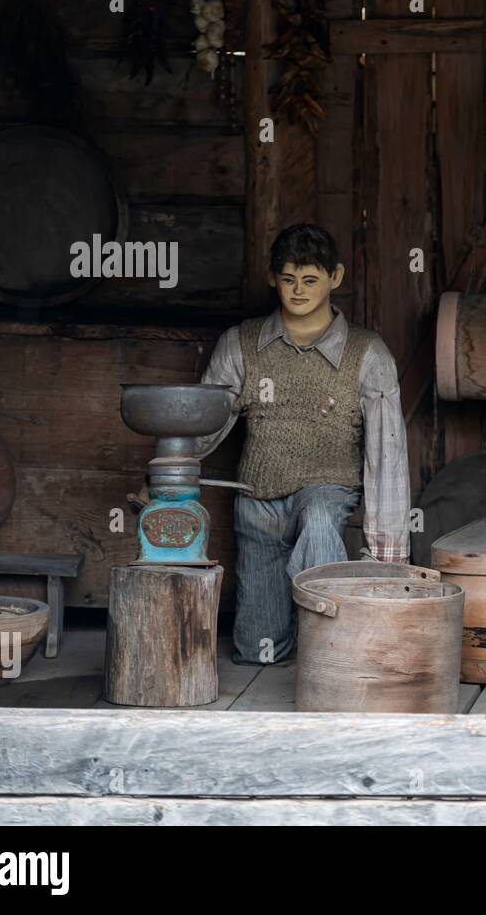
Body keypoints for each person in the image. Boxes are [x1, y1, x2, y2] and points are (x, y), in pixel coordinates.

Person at [195, 223, 411, 665]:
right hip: (257, 502)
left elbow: (387, 456)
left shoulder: (367, 353)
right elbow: (202, 422)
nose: (298, 290)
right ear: (272, 277)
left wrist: (389, 553)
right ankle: (282, 644)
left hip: (326, 496)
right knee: (259, 652)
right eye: (289, 278)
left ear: (336, 277)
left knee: (317, 520)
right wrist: (163, 474)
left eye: (311, 279)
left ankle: (339, 647)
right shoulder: (241, 344)